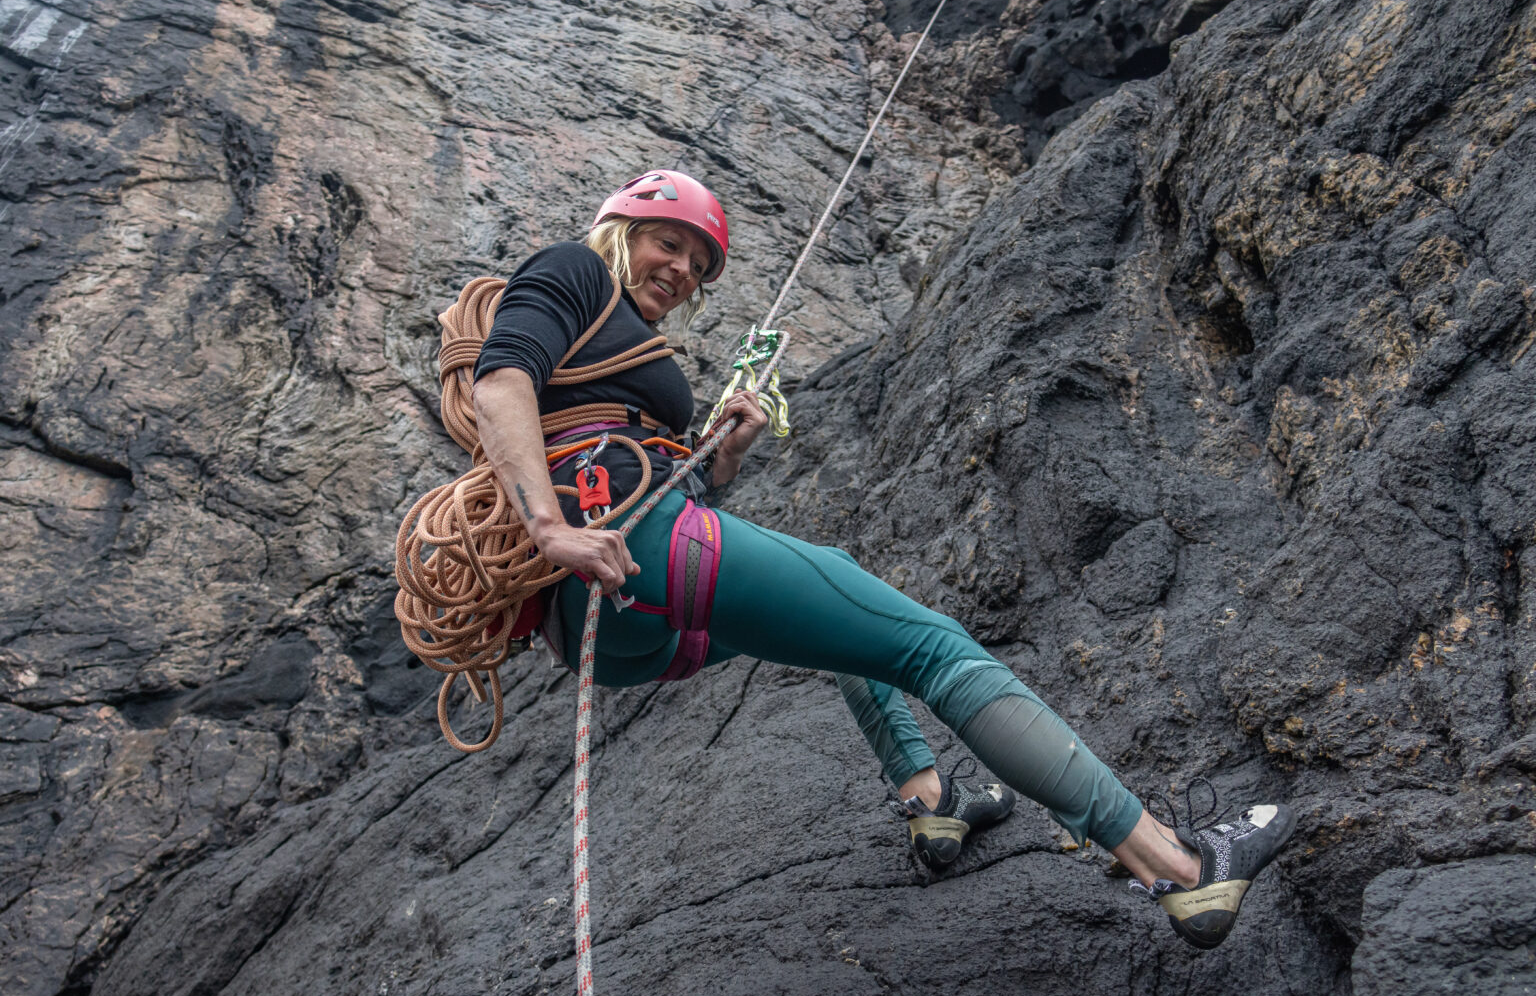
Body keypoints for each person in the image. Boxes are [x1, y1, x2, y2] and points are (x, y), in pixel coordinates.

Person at [469, 169, 1294, 949]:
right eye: (668, 243)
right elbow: (501, 378)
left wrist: (723, 460)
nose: (683, 269)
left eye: (699, 264)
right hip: (617, 550)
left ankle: (932, 800)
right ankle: (1183, 869)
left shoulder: (624, 351)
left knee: (846, 631)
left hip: (610, 624)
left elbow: (663, 488)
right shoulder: (572, 269)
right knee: (929, 644)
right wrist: (549, 524)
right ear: (622, 228)